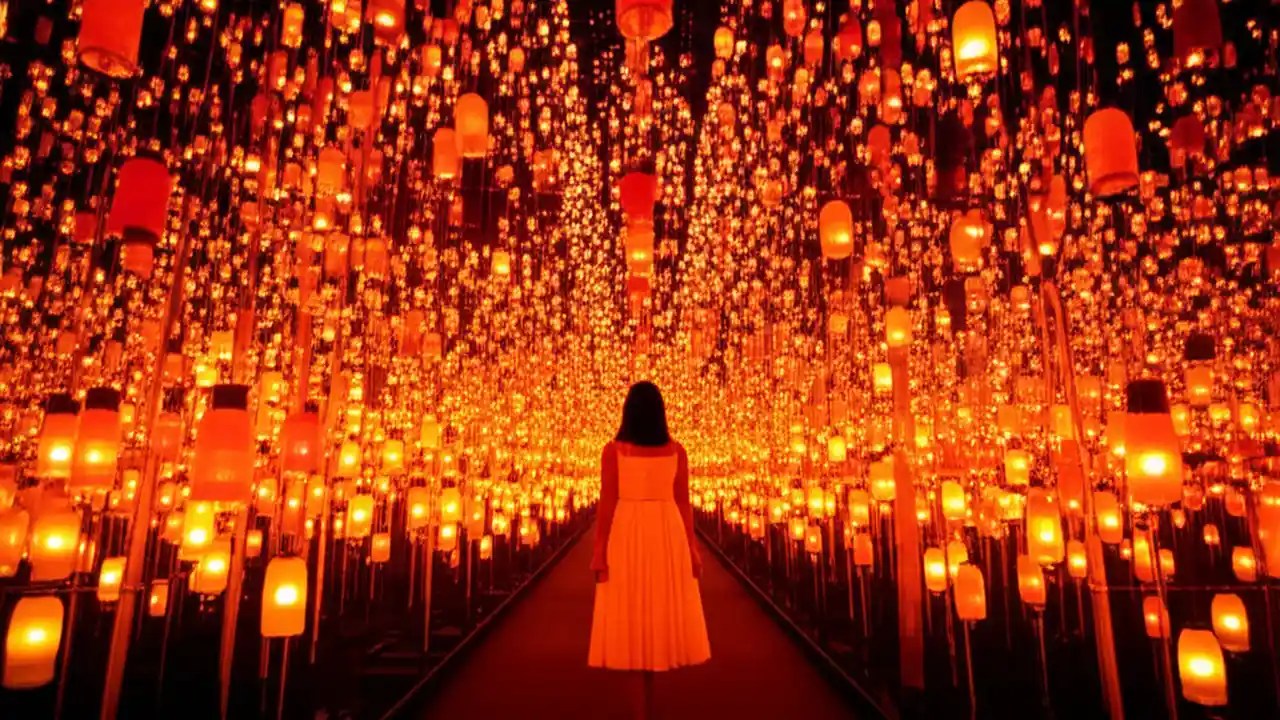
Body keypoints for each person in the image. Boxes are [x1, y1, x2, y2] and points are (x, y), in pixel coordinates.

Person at [588, 381, 711, 719]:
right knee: (655, 621)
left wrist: (600, 551)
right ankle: (646, 710)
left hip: (628, 531)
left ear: (628, 411)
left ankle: (641, 712)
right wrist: (690, 547)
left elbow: (608, 505)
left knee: (633, 626)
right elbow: (685, 506)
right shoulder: (676, 451)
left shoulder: (614, 451)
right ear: (661, 412)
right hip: (665, 533)